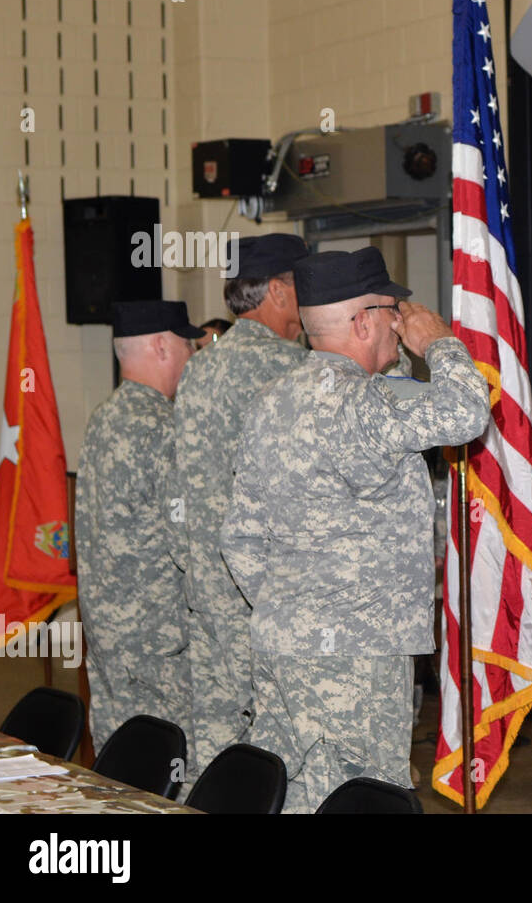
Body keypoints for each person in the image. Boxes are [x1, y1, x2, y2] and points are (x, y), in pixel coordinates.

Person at [220, 247, 489, 812]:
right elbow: (466, 413)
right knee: (362, 798)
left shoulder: (271, 402)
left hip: (281, 648)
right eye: (394, 311)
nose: (400, 322)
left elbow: (239, 537)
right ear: (364, 321)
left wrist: (290, 607)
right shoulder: (368, 400)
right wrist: (438, 341)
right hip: (358, 661)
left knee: (289, 794)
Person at [170, 233, 308, 777]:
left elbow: (176, 492)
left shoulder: (200, 367)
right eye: (302, 285)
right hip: (265, 593)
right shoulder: (291, 369)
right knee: (281, 748)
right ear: (277, 290)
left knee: (218, 740)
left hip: (207, 591)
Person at [76, 300, 202, 751]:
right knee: (172, 776)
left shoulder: (102, 421)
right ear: (161, 347)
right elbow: (190, 545)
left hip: (110, 640)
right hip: (161, 651)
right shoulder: (164, 429)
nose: (193, 353)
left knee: (121, 771)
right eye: (187, 343)